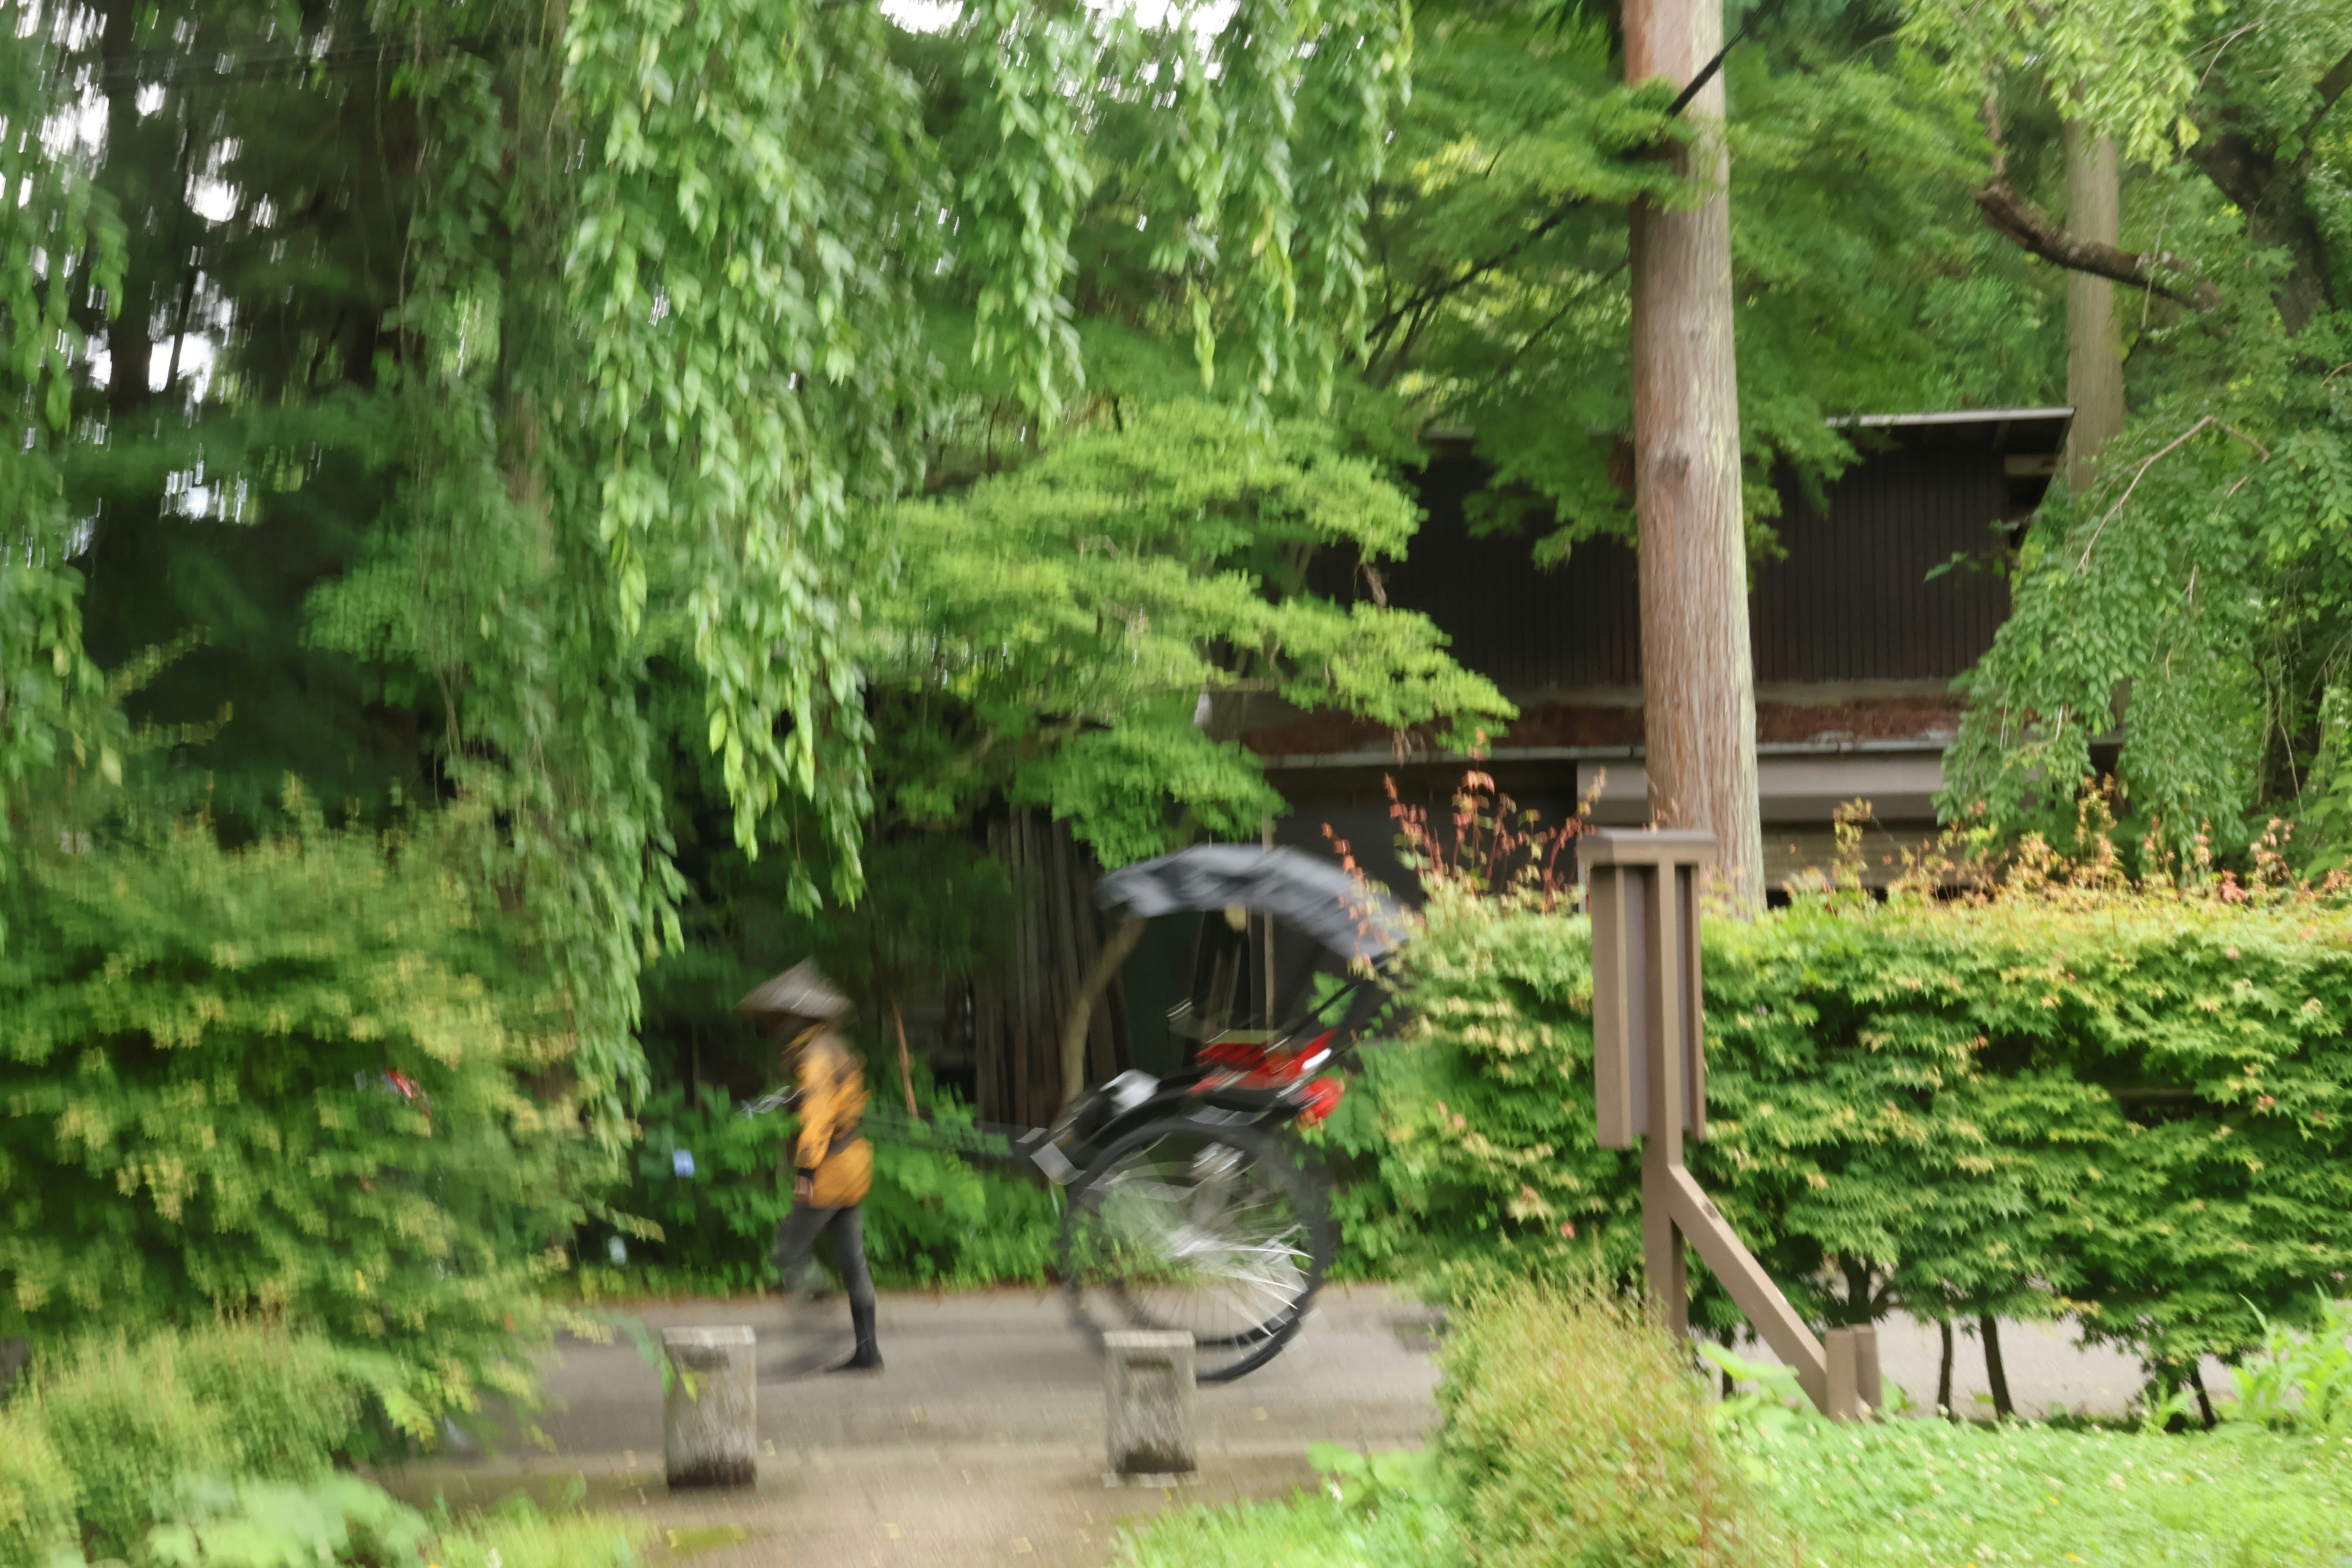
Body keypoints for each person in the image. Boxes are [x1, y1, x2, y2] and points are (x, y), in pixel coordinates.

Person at [738, 959, 882, 1373]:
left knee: (789, 1250)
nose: (778, 1024)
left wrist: (806, 1170)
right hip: (854, 1164)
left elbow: (819, 1114)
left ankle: (821, 1335)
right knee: (853, 1261)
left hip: (831, 1169)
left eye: (783, 1017)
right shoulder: (836, 1047)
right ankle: (867, 1351)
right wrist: (793, 1096)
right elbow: (835, 1101)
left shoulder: (816, 1054)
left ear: (798, 1015)